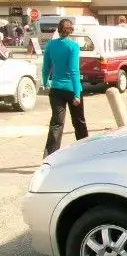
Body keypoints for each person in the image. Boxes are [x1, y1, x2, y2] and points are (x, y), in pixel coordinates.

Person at [42, 18, 88, 158]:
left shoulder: (50, 45)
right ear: (71, 30)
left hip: (56, 89)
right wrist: (76, 94)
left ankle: (50, 156)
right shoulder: (73, 46)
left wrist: (46, 83)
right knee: (79, 121)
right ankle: (86, 152)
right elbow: (74, 70)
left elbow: (46, 67)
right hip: (72, 89)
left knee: (56, 123)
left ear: (58, 29)